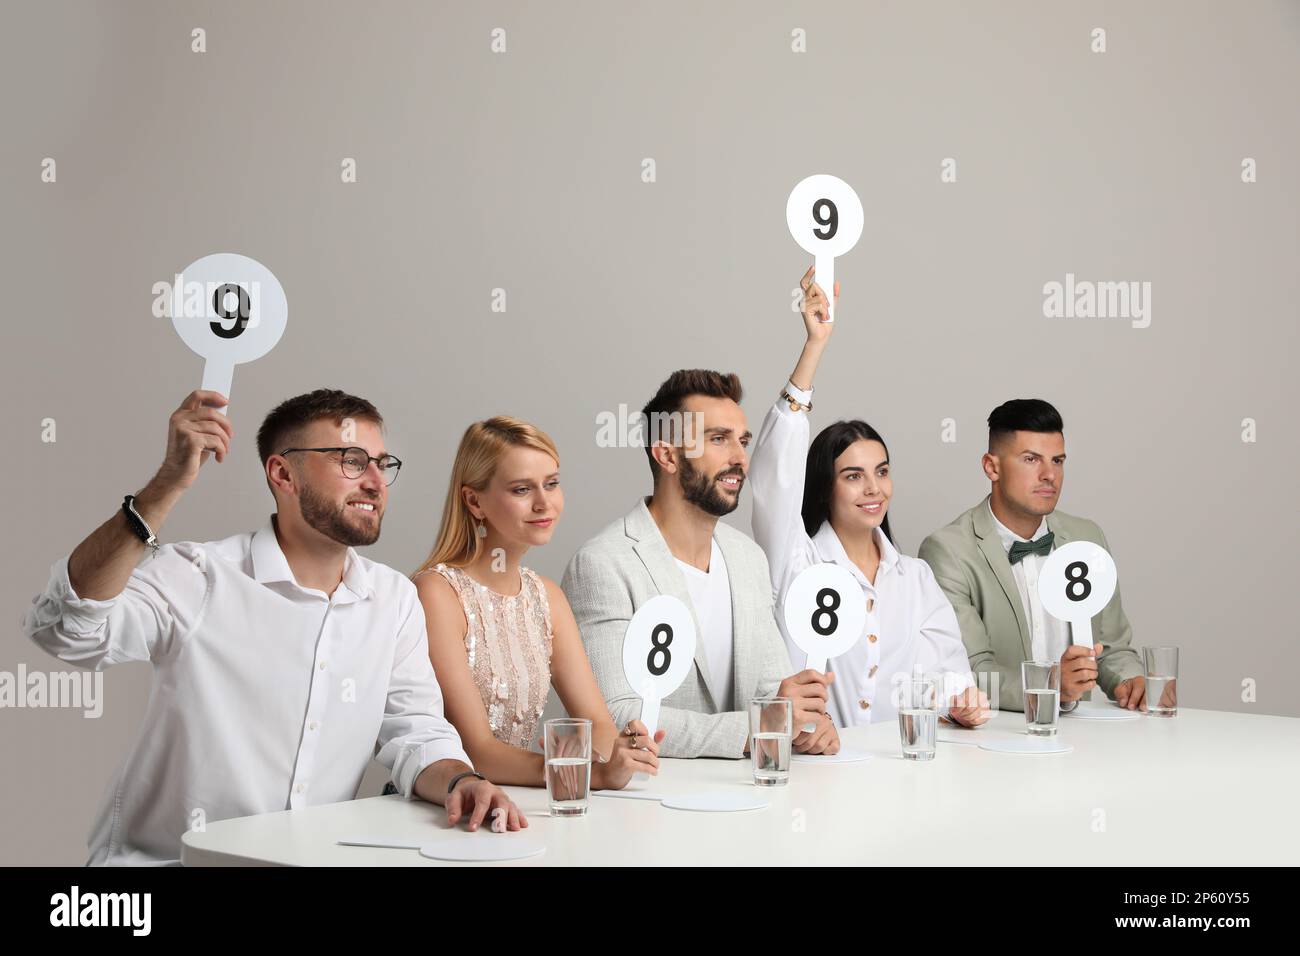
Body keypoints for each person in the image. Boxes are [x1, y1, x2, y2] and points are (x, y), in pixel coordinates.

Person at [21, 388, 524, 865]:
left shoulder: (393, 600)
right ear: (283, 474)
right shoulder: (199, 575)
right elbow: (67, 629)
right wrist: (166, 485)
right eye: (350, 461)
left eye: (382, 464)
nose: (374, 481)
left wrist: (462, 782)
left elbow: (415, 732)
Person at [749, 269, 990, 727]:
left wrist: (962, 703)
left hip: (896, 779)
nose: (873, 488)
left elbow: (947, 677)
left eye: (881, 472)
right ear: (824, 486)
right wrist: (814, 346)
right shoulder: (795, 562)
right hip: (812, 775)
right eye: (853, 476)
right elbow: (774, 477)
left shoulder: (915, 578)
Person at [562, 369, 840, 759]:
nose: (740, 458)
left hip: (752, 803)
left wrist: (804, 725)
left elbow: (772, 693)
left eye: (742, 441)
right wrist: (762, 725)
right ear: (667, 455)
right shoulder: (603, 564)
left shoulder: (748, 559)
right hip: (647, 809)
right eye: (718, 439)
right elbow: (616, 716)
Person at [410, 416, 665, 790]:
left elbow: (597, 724)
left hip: (520, 804)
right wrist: (586, 772)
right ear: (474, 500)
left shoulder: (546, 597)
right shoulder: (438, 593)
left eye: (552, 484)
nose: (544, 503)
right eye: (521, 490)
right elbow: (477, 751)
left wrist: (625, 752)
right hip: (445, 807)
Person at [918, 399, 1146, 713]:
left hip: (1086, 742)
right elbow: (969, 671)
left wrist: (1129, 681)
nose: (1049, 475)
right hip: (994, 741)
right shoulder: (949, 551)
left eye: (1058, 461)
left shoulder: (1087, 537)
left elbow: (1111, 648)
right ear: (991, 466)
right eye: (1031, 459)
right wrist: (1049, 684)